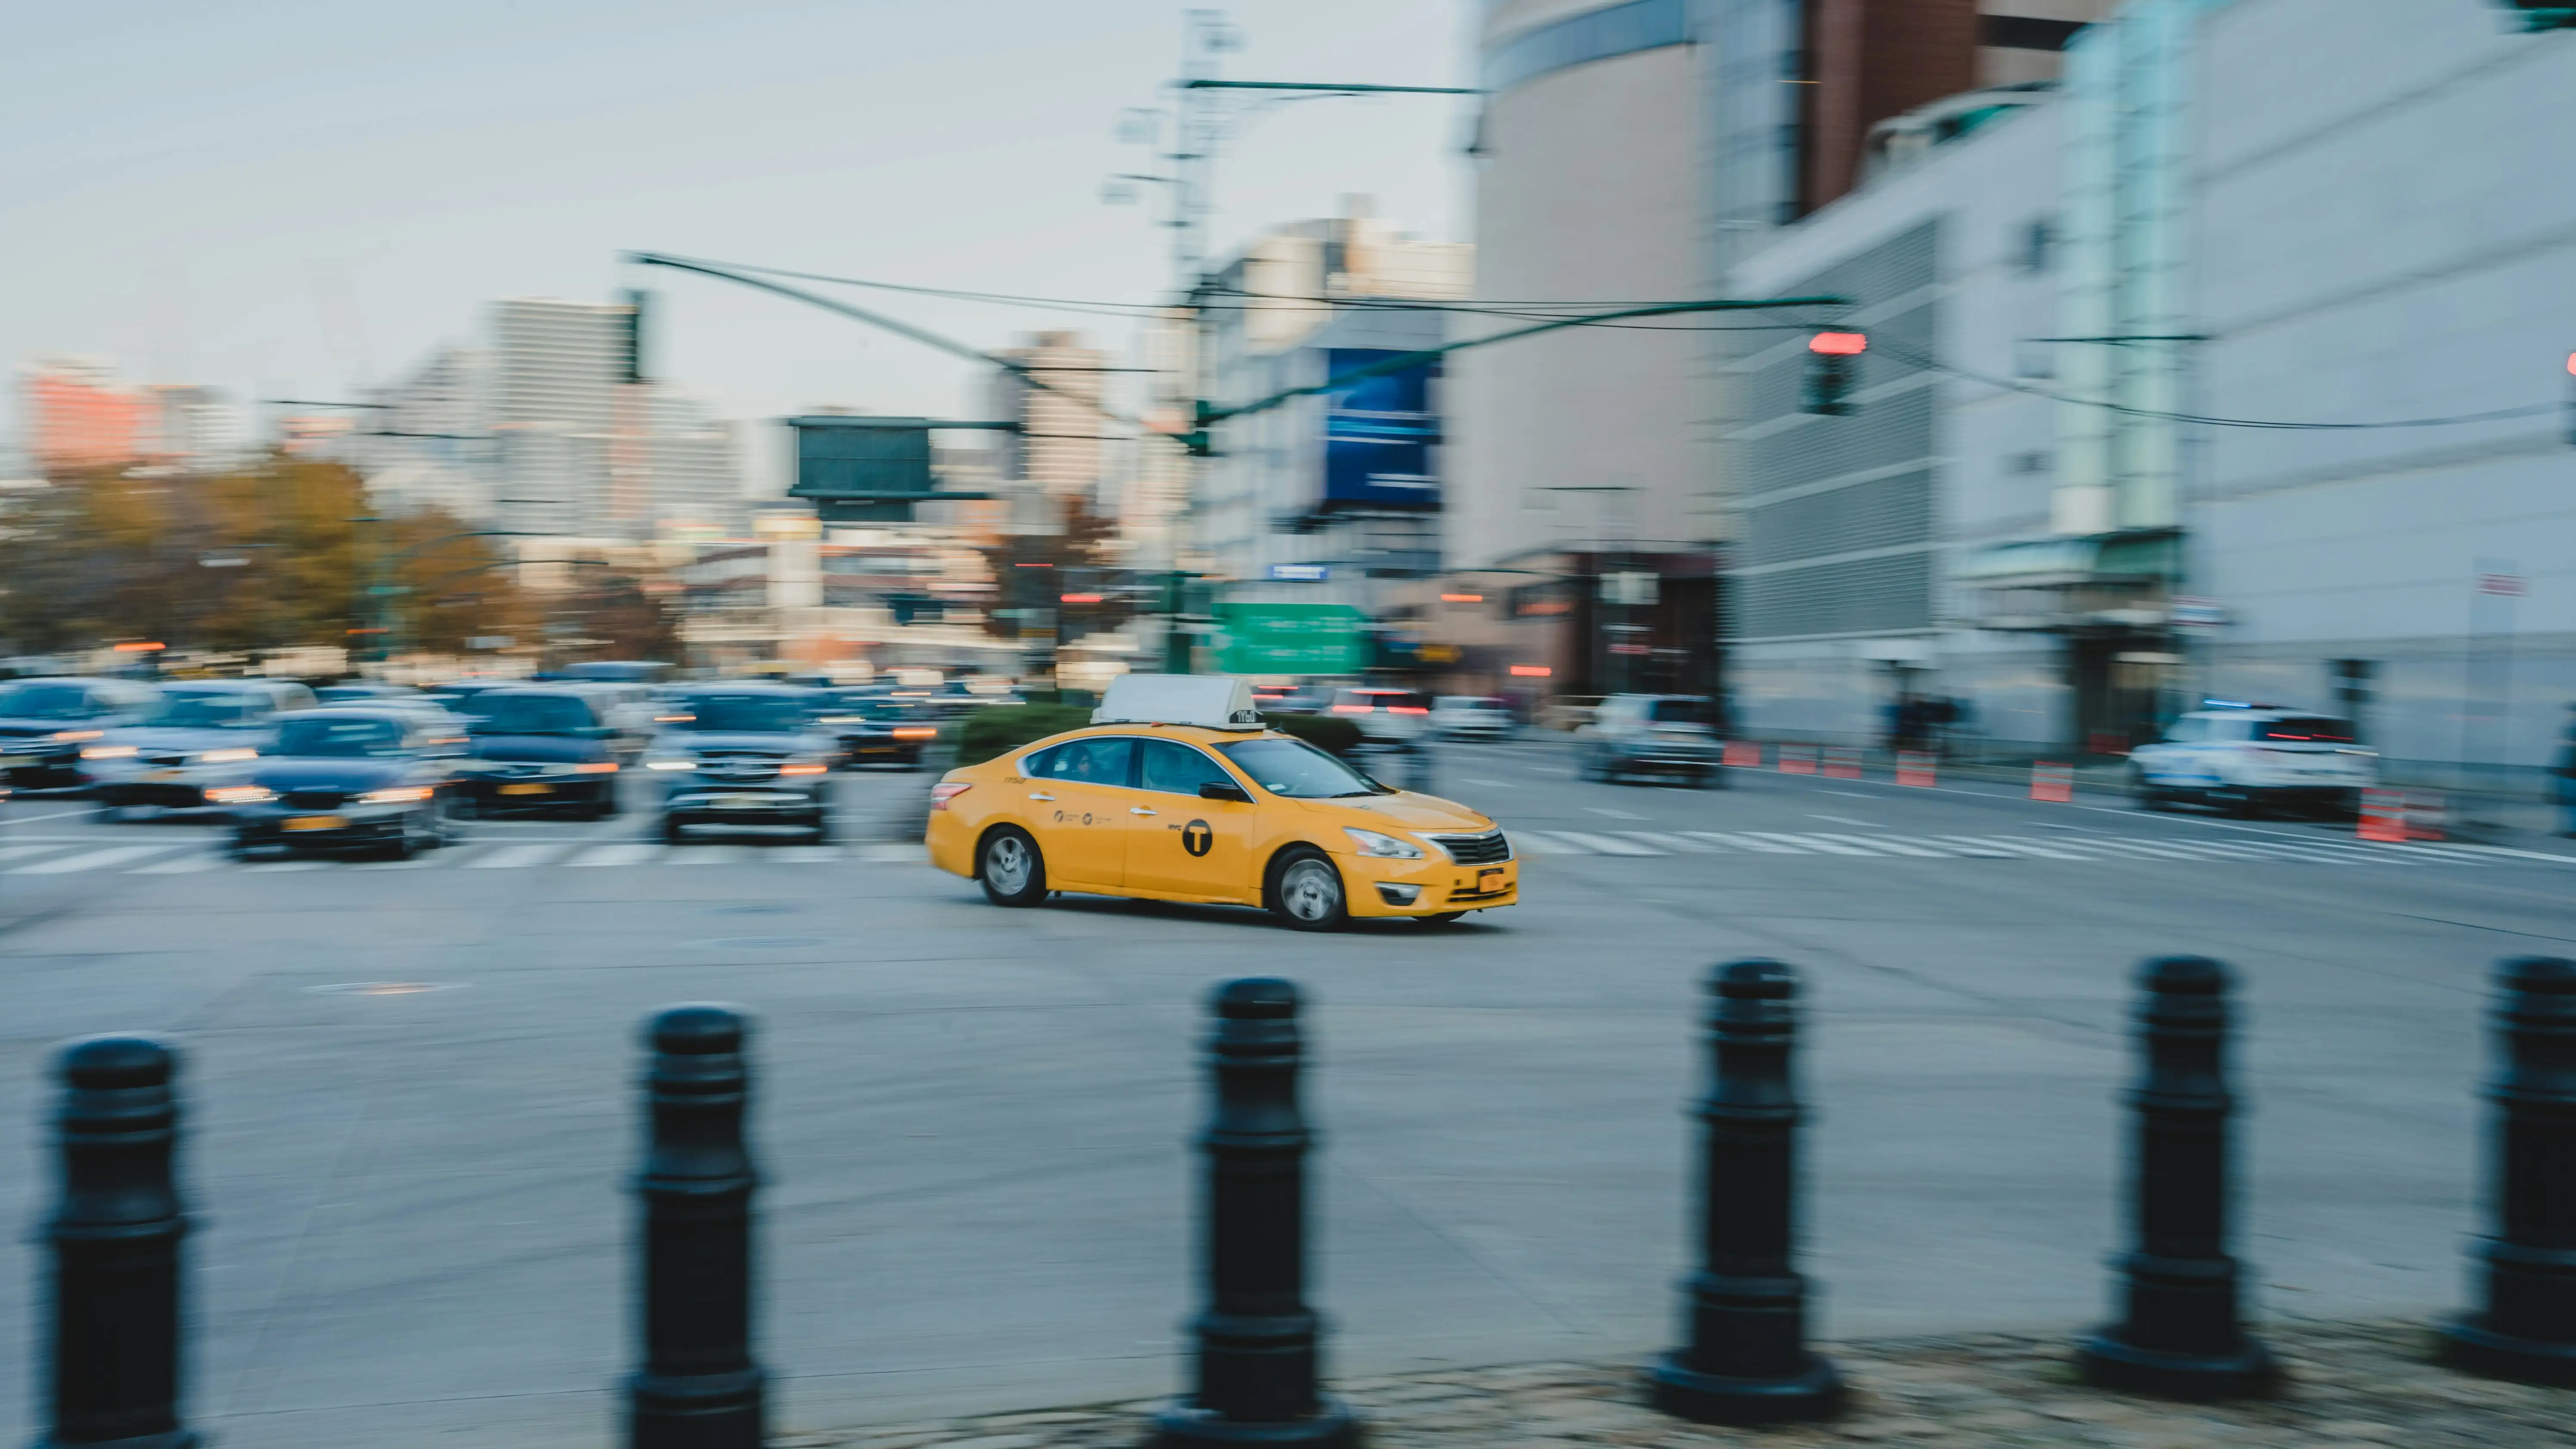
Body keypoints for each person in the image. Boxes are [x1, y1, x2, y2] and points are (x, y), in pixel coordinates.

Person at [2553, 704, 2576, 838]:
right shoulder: (2570, 728)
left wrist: (2567, 743)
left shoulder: (2572, 729)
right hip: (2566, 770)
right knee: (2566, 802)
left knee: (2570, 802)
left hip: (2570, 771)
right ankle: (2568, 829)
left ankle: (2572, 830)